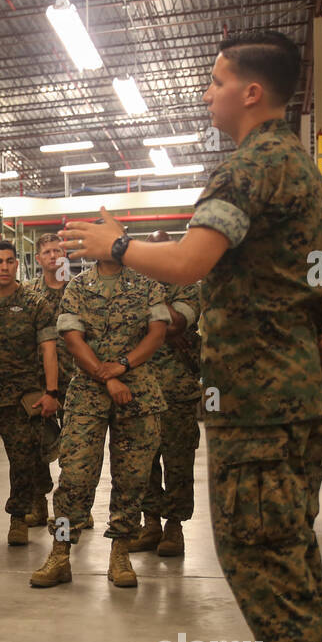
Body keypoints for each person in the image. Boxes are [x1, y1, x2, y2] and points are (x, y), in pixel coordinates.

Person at [59, 30, 322, 642]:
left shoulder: (251, 167)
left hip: (260, 395)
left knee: (255, 536)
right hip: (294, 390)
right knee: (285, 531)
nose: (207, 92)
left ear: (252, 91)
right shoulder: (297, 165)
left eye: (216, 81)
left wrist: (114, 247)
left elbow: (187, 263)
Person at [29, 237, 169, 590]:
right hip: (89, 393)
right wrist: (106, 377)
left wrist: (122, 366)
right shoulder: (77, 286)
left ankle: (120, 555)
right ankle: (60, 553)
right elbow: (73, 339)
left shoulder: (146, 284)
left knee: (132, 478)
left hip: (137, 391)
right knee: (74, 476)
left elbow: (157, 333)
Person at [0, 241, 59, 546]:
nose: (4, 267)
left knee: (23, 463)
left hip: (21, 399)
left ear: (17, 264)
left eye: (9, 261)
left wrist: (52, 393)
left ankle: (18, 518)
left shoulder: (35, 303)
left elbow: (48, 350)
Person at [128, 230, 202, 559]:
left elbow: (175, 323)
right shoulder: (132, 284)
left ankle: (175, 526)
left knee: (178, 462)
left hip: (177, 392)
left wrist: (152, 303)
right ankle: (151, 523)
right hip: (140, 389)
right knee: (142, 462)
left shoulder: (185, 284)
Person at [25, 232, 74, 527]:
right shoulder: (30, 293)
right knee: (35, 445)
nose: (54, 256)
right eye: (48, 252)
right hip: (39, 382)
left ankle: (72, 506)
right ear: (39, 258)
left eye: (59, 250)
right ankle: (38, 503)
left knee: (75, 448)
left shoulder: (79, 290)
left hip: (75, 380)